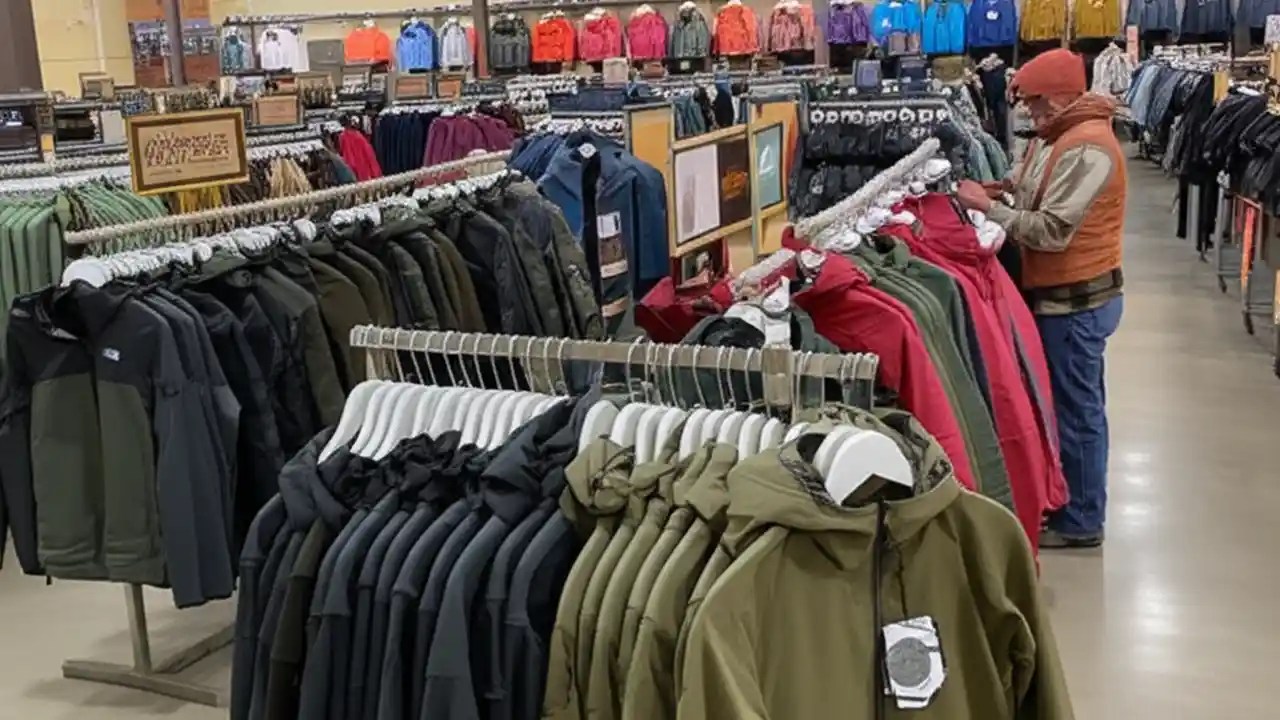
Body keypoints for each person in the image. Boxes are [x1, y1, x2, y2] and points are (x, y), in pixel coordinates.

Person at [955, 49, 1125, 549]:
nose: (1028, 112)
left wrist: (988, 208)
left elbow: (1051, 230)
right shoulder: (1058, 139)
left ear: (1055, 98)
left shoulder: (1088, 146)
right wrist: (1000, 189)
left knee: (1079, 412)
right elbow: (1031, 192)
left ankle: (1083, 519)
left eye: (1032, 102)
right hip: (1062, 298)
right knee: (1074, 406)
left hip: (1077, 302)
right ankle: (1073, 503)